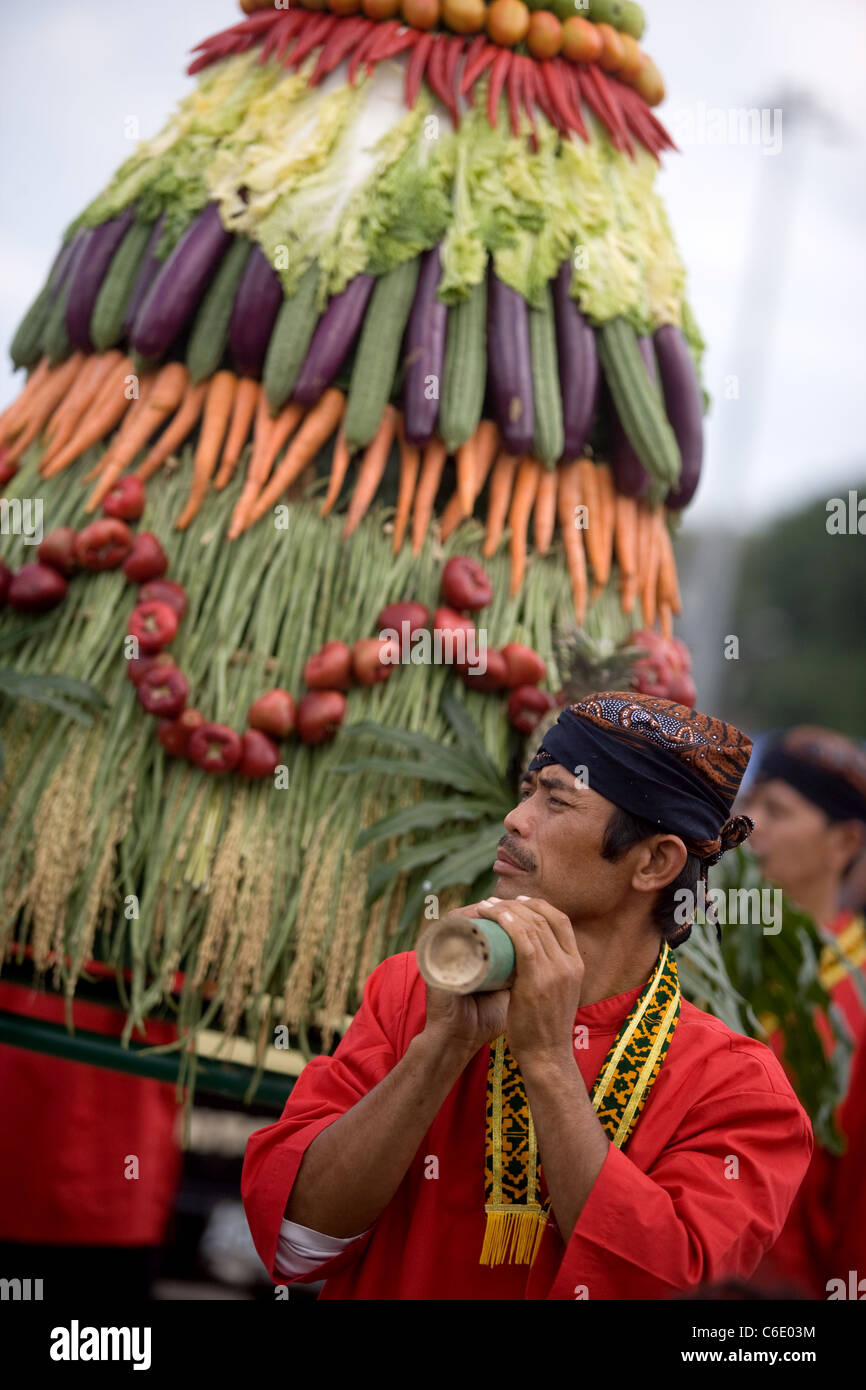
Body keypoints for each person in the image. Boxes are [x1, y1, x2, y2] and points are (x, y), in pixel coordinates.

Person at [242, 692, 813, 1300]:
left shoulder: (738, 1091)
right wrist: (440, 1048)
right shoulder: (413, 989)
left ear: (653, 862)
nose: (516, 818)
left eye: (557, 799)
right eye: (529, 789)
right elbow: (299, 1241)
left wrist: (546, 1060)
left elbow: (667, 1291)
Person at [746, 726, 866, 1298]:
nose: (750, 827)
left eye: (777, 811)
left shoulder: (858, 1000)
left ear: (843, 844)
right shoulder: (704, 960)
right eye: (748, 805)